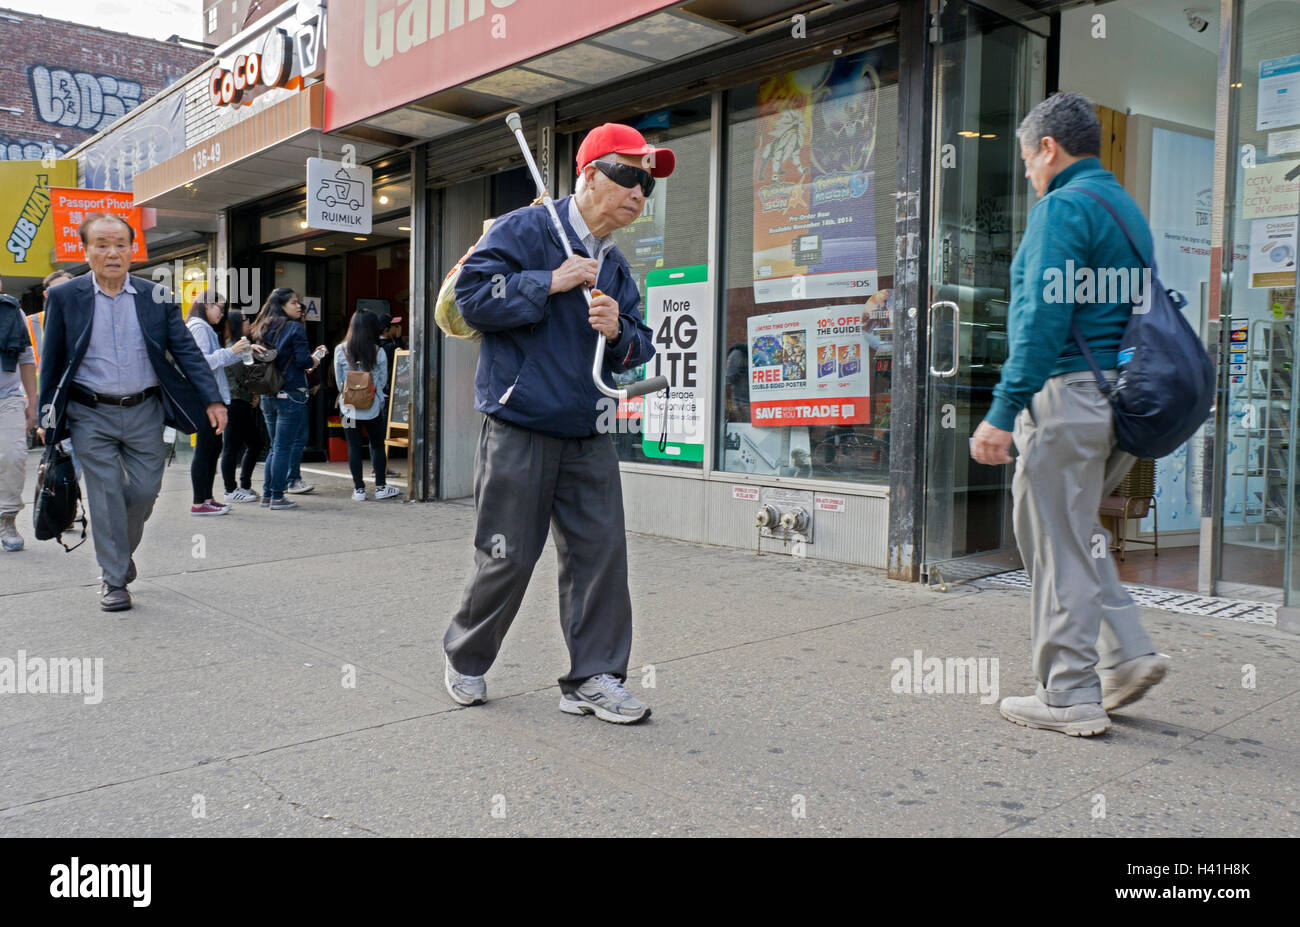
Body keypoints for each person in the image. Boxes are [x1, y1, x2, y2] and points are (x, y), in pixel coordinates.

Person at [441, 122, 671, 724]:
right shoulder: (526, 229)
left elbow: (638, 347)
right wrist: (549, 281)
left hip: (589, 425)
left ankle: (592, 678)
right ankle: (466, 656)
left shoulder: (616, 267)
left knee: (600, 556)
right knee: (508, 554)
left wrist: (618, 329)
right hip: (520, 422)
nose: (638, 194)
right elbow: (471, 298)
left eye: (647, 186)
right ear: (589, 174)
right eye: (628, 177)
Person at [969, 93, 1168, 737]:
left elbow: (1040, 321)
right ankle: (1129, 650)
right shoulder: (1124, 208)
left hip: (1065, 397)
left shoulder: (1063, 208)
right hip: (1118, 399)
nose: (1028, 174)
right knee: (1075, 533)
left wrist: (1002, 411)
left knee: (1055, 546)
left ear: (1049, 148)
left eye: (1027, 160)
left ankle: (1068, 693)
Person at [37, 214, 225, 610]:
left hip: (145, 410)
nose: (112, 253)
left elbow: (187, 352)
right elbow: (52, 362)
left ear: (132, 249)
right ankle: (114, 579)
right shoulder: (65, 297)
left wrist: (211, 398)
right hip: (90, 412)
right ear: (85, 250)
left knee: (142, 492)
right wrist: (47, 417)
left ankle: (119, 555)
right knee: (104, 494)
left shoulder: (156, 296)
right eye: (102, 244)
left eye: (121, 244)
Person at [248, 288, 324, 510]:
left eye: (299, 302)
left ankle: (268, 495)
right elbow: (304, 361)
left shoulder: (261, 327)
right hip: (291, 392)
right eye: (293, 302)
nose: (299, 306)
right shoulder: (294, 328)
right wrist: (314, 362)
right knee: (283, 447)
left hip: (268, 393)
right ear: (281, 305)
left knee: (275, 446)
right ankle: (278, 496)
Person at [185, 290, 252, 515]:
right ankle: (199, 502)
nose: (222, 313)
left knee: (213, 447)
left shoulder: (203, 327)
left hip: (209, 396)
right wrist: (231, 351)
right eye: (219, 307)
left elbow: (216, 360)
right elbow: (202, 362)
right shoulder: (199, 327)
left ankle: (207, 497)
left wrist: (239, 352)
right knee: (206, 448)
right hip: (205, 397)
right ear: (206, 305)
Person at [334, 309, 399, 501]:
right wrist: (374, 398)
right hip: (372, 409)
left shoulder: (341, 350)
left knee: (353, 447)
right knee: (377, 445)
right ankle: (380, 487)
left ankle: (359, 490)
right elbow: (382, 382)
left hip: (348, 409)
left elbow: (340, 382)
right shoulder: (378, 352)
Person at [0, 273, 37, 552]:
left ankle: (7, 517)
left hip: (8, 398)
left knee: (14, 457)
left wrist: (32, 403)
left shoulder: (12, 312)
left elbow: (26, 358)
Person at [220, 311, 264, 503]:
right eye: (246, 320)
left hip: (240, 402)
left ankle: (244, 485)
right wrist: (254, 392)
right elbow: (244, 376)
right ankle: (230, 490)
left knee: (254, 443)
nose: (250, 323)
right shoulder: (234, 348)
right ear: (238, 324)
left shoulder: (239, 346)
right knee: (231, 447)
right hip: (235, 402)